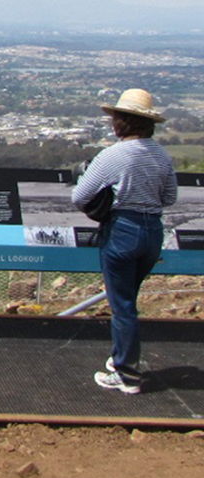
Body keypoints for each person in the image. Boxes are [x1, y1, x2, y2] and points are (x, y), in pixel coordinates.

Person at [71, 88, 177, 395]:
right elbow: (170, 197)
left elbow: (80, 196)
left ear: (123, 122)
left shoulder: (113, 155)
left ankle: (127, 374)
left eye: (116, 117)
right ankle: (120, 358)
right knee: (127, 299)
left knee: (123, 306)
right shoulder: (161, 155)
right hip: (152, 232)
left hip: (122, 231)